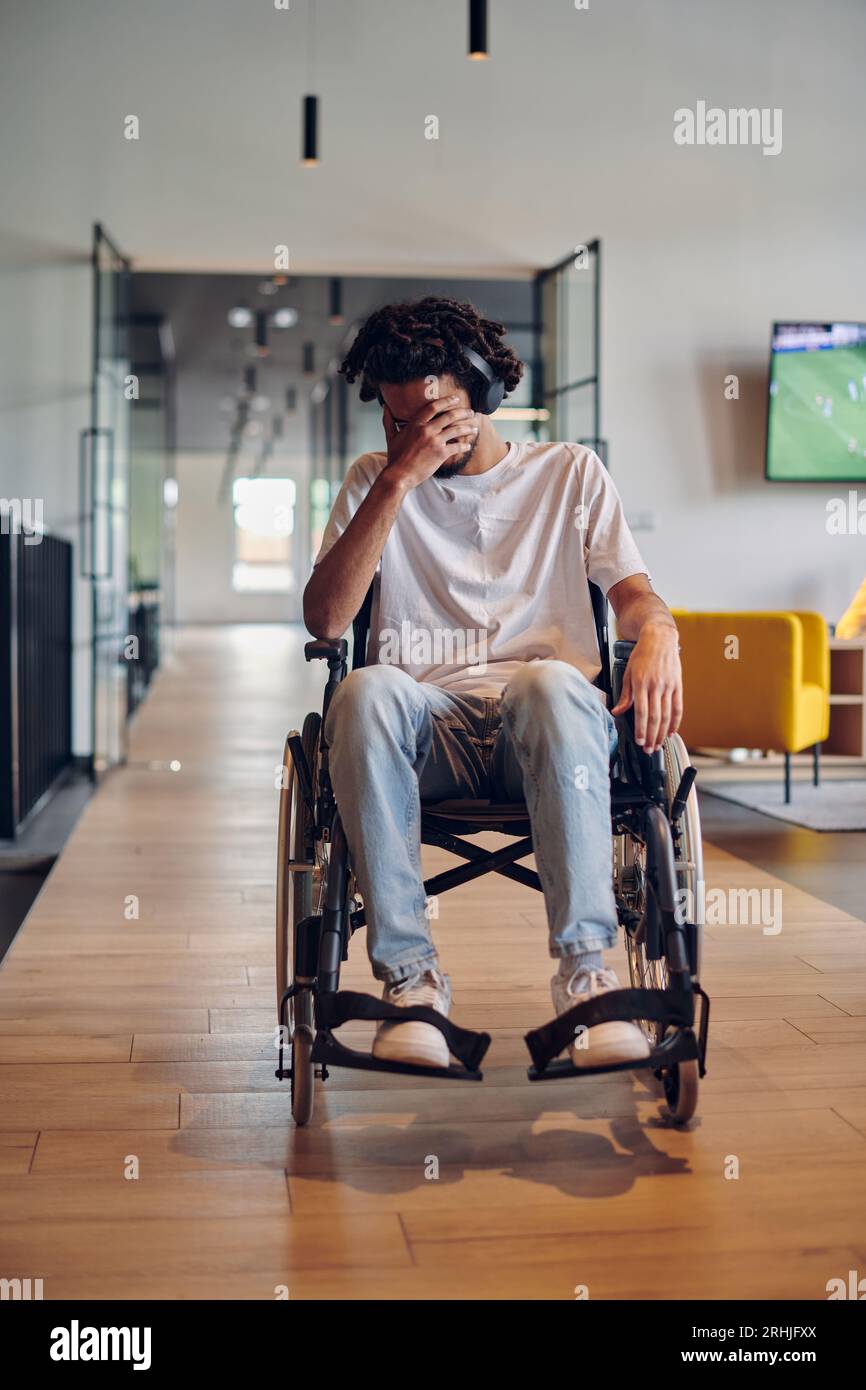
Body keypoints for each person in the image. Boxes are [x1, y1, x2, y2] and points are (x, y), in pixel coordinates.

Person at [304, 297, 683, 1069]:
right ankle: (410, 984)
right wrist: (399, 481)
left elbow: (634, 594)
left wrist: (662, 633)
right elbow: (326, 621)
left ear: (482, 392)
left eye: (430, 414)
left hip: (545, 727)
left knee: (547, 681)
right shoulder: (374, 482)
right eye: (395, 419)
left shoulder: (570, 472)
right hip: (424, 729)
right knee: (364, 689)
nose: (412, 434)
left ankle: (586, 978)